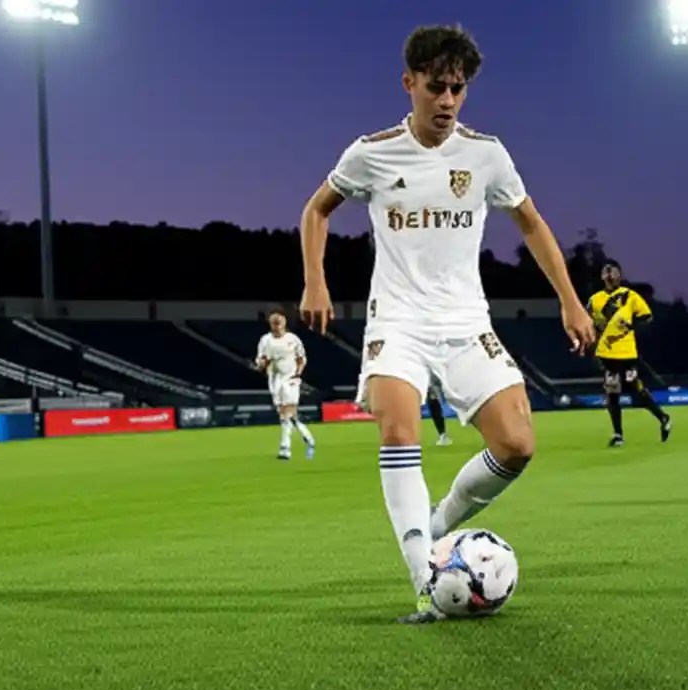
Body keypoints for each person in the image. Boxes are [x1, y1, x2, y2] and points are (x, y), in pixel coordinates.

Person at [297, 24, 595, 623]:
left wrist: (570, 298)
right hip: (398, 320)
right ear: (409, 84)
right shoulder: (372, 152)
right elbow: (316, 210)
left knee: (517, 445)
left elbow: (532, 224)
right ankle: (422, 581)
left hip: (466, 321)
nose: (448, 101)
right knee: (399, 427)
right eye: (436, 87)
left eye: (458, 89)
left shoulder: (486, 155)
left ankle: (432, 530)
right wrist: (315, 280)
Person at [587, 261, 672, 447]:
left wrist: (631, 326)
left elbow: (647, 317)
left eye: (613, 272)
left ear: (619, 275)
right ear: (602, 277)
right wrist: (588, 340)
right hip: (607, 354)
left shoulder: (630, 296)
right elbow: (589, 323)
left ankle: (663, 417)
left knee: (636, 392)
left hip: (627, 354)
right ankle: (618, 434)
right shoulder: (595, 300)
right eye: (606, 272)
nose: (609, 275)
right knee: (612, 394)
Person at [255, 309, 316, 460]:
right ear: (271, 324)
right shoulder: (265, 340)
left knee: (285, 414)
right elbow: (261, 361)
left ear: (284, 323)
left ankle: (285, 448)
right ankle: (308, 437)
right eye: (274, 323)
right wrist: (262, 364)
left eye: (279, 322)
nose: (277, 326)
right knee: (289, 416)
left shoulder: (293, 339)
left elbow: (301, 358)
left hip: (290, 379)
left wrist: (297, 374)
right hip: (275, 380)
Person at [425, 376, 452, 446]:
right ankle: (443, 436)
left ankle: (443, 436)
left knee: (435, 409)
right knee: (434, 409)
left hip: (434, 385)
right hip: (432, 386)